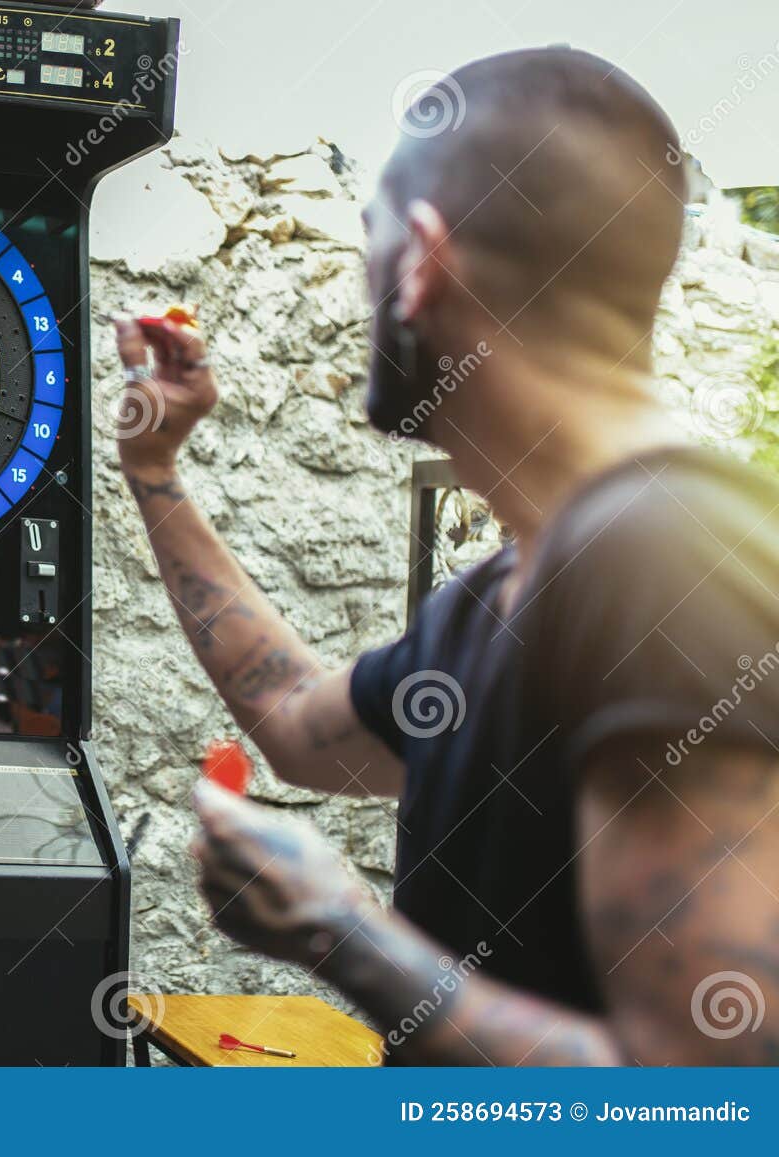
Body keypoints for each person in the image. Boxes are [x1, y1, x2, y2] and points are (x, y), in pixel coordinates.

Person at [116, 48, 779, 1065]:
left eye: (368, 246)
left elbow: (705, 1093)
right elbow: (297, 725)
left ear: (422, 261)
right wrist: (156, 471)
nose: (358, 286)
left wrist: (341, 931)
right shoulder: (497, 592)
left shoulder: (667, 564)